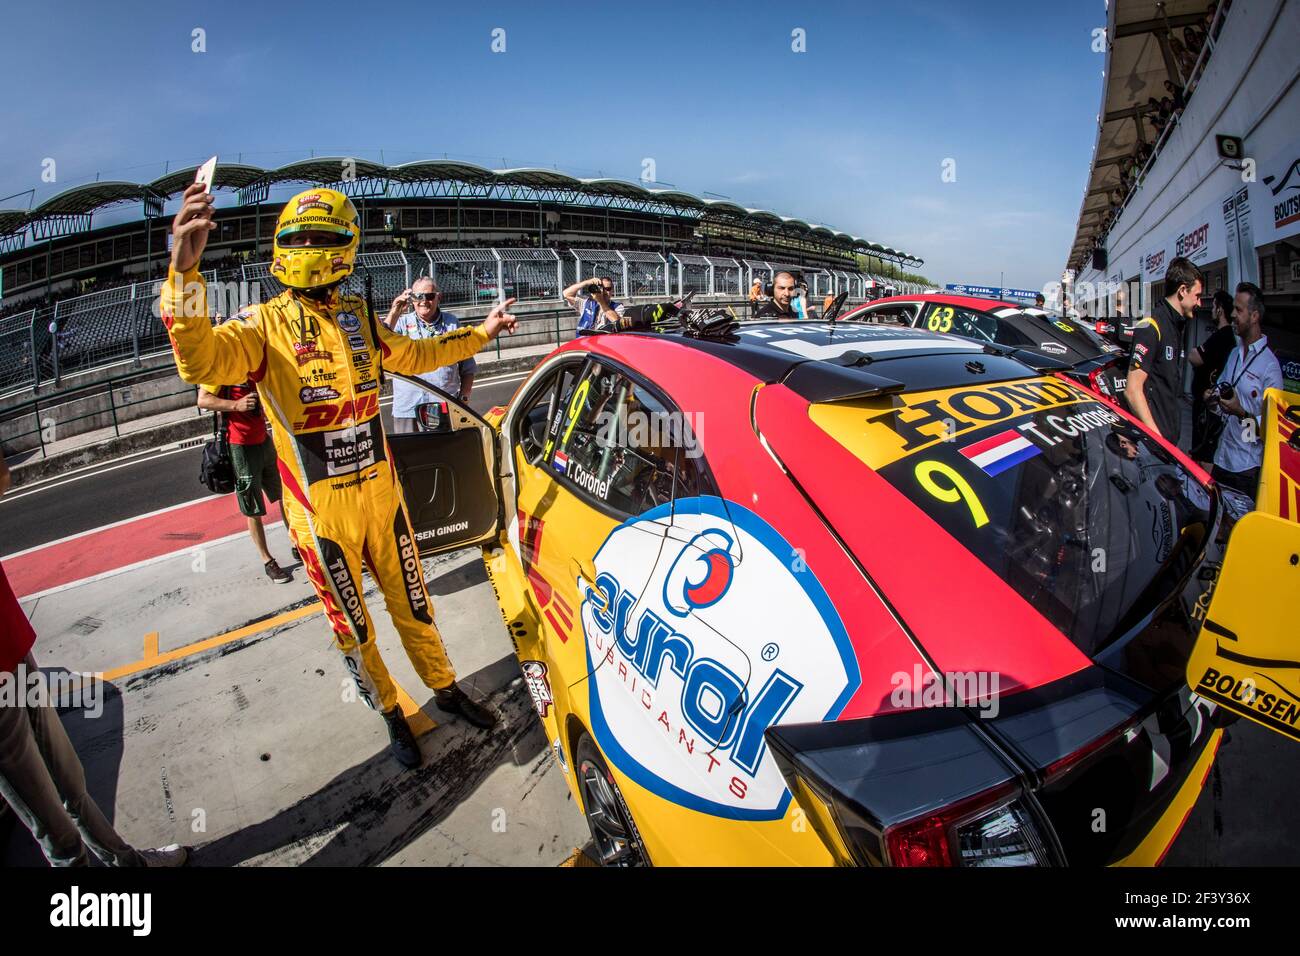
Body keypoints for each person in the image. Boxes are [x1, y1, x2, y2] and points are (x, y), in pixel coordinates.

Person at [162, 183, 517, 769]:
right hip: (320, 515)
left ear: (345, 247)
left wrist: (481, 333)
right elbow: (197, 362)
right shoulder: (260, 325)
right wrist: (184, 274)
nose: (309, 247)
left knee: (415, 603)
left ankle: (446, 688)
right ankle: (390, 714)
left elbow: (413, 356)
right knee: (353, 626)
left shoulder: (358, 316)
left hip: (384, 498)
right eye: (299, 238)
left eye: (320, 237)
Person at [0, 454, 188, 867]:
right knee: (54, 829)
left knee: (70, 782)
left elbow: (2, 476)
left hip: (12, 651)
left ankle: (126, 862)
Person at [196, 334, 295, 583]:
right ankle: (267, 560)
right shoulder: (221, 366)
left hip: (264, 440)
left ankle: (297, 541)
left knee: (285, 495)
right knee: (253, 507)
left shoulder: (254, 362)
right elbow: (203, 399)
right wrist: (236, 405)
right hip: (240, 445)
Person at [1204, 282, 1282, 515]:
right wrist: (1213, 400)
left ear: (1255, 315)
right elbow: (1221, 393)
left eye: (1239, 310)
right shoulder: (1235, 354)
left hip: (1246, 470)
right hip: (1221, 458)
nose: (1233, 315)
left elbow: (1272, 429)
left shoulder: (1270, 367)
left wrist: (1240, 412)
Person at [1125, 256, 1202, 446]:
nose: (1199, 303)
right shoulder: (1151, 325)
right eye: (1197, 296)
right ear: (1183, 290)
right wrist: (1158, 440)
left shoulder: (1177, 326)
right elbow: (1132, 390)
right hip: (1153, 447)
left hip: (1168, 444)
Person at [384, 278, 475, 433]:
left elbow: (468, 367)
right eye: (418, 297)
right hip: (407, 407)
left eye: (429, 296)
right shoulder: (400, 323)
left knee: (439, 452)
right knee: (408, 454)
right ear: (411, 299)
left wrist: (464, 398)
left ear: (439, 297)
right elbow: (381, 342)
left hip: (440, 405)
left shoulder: (452, 324)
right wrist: (395, 311)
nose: (423, 301)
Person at [1188, 289, 1236, 463]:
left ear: (1220, 309)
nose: (1211, 310)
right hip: (1207, 406)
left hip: (1208, 409)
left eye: (1214, 306)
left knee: (1203, 454)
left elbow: (1194, 357)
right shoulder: (1224, 337)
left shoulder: (1222, 336)